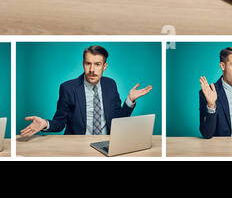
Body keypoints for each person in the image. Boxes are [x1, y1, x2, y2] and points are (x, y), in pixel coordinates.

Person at [18, 45, 153, 136]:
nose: (92, 70)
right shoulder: (68, 88)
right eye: (88, 64)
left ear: (104, 66)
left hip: (107, 143)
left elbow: (117, 121)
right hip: (78, 146)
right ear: (83, 64)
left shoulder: (110, 85)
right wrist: (45, 124)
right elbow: (59, 123)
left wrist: (130, 100)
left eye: (97, 64)